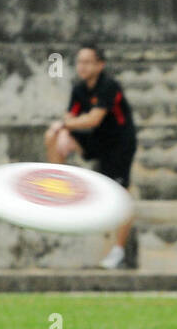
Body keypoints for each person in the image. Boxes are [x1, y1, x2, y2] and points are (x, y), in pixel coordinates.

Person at [45, 44, 139, 269]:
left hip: (119, 144)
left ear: (100, 65)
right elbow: (70, 118)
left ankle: (118, 251)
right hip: (96, 141)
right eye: (79, 62)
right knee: (53, 134)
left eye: (88, 62)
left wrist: (65, 124)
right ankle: (57, 188)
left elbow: (93, 119)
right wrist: (64, 132)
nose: (82, 66)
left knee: (121, 196)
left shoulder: (109, 86)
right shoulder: (78, 89)